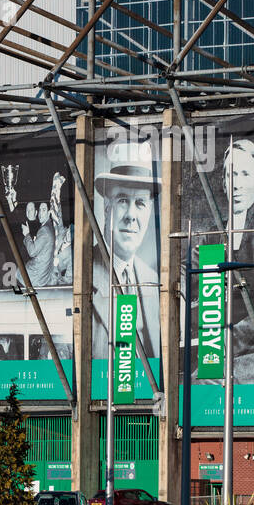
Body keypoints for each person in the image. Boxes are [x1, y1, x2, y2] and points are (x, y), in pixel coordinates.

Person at [193, 139, 254, 385]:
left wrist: (229, 338)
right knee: (187, 383)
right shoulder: (213, 235)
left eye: (245, 174)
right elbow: (191, 279)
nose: (237, 184)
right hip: (216, 346)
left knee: (202, 383)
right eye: (231, 174)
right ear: (223, 182)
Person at [92, 149, 160, 361]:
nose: (131, 216)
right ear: (106, 207)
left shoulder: (152, 280)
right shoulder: (80, 274)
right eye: (122, 200)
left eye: (140, 203)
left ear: (149, 212)